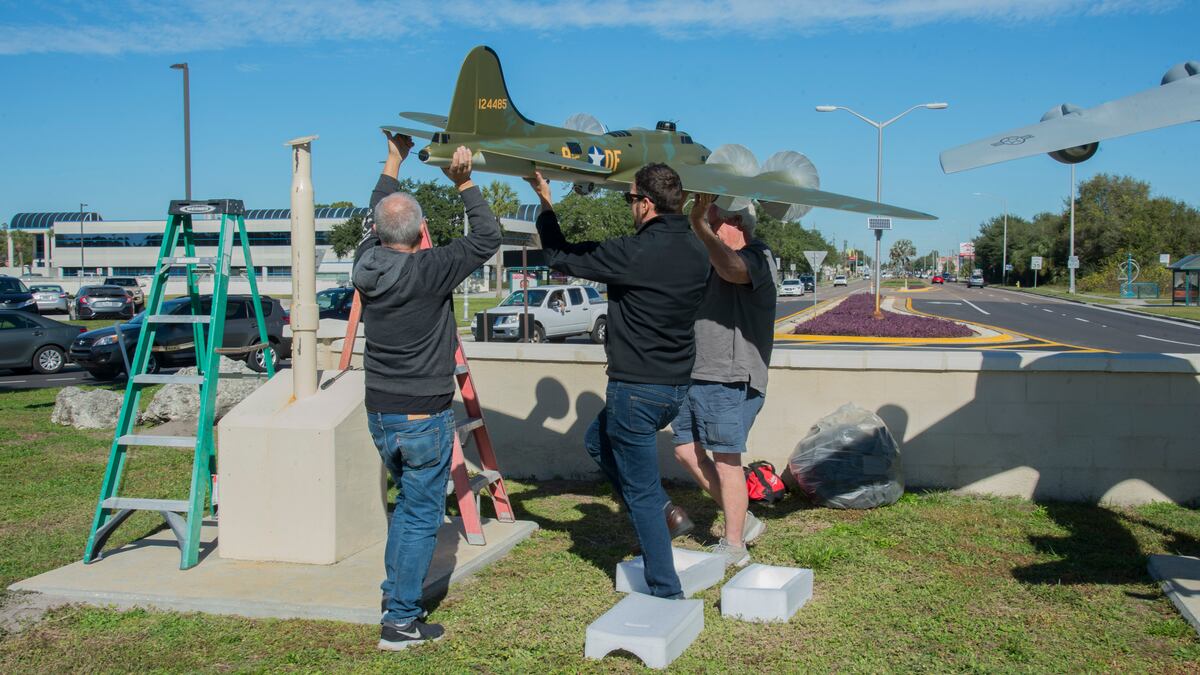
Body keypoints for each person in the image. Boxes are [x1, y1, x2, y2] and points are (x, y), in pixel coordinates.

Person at [525, 164, 711, 598]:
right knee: (597, 440)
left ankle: (666, 591)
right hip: (675, 388)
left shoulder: (633, 253)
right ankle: (665, 510)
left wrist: (545, 200)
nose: (630, 207)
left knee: (642, 493)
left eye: (630, 199)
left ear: (646, 204)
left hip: (636, 389)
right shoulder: (699, 251)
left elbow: (558, 256)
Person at [354, 131, 501, 650]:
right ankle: (400, 620)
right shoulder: (429, 269)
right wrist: (465, 183)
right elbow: (487, 237)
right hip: (423, 418)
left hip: (380, 414)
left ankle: (394, 594)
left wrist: (395, 159)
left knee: (405, 509)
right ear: (421, 234)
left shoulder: (366, 265)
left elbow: (379, 212)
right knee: (419, 517)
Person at [670, 195, 777, 567]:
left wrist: (698, 223)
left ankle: (734, 547)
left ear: (737, 223)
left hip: (730, 374)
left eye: (714, 224)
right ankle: (742, 520)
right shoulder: (709, 257)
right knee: (685, 451)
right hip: (694, 371)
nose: (709, 233)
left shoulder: (759, 256)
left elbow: (734, 270)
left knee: (727, 458)